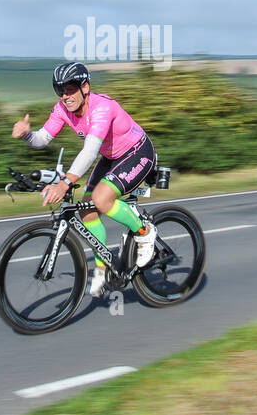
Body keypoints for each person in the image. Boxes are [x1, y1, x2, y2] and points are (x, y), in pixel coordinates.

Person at [12, 62, 158, 297]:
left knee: (101, 199)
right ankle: (102, 268)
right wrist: (27, 135)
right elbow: (43, 139)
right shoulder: (62, 109)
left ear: (85, 87)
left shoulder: (102, 108)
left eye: (70, 89)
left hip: (137, 152)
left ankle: (144, 232)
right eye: (61, 90)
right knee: (87, 211)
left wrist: (65, 182)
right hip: (111, 156)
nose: (65, 96)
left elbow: (90, 152)